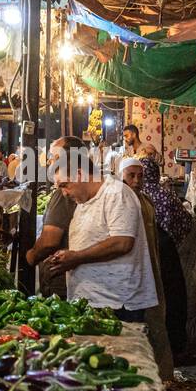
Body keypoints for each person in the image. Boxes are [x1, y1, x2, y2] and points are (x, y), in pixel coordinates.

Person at [43, 150, 157, 322]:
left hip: (117, 304)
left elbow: (122, 242)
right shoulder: (84, 200)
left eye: (64, 185)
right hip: (93, 302)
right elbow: (94, 239)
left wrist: (76, 257)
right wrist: (67, 255)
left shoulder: (116, 193)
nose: (64, 193)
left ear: (79, 174)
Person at [119, 157, 173, 375]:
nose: (136, 180)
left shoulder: (146, 201)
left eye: (140, 176)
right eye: (131, 175)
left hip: (150, 266)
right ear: (121, 175)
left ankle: (157, 372)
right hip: (130, 272)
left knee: (153, 319)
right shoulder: (120, 200)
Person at [136, 155, 193, 354]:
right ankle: (174, 344)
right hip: (168, 254)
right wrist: (175, 240)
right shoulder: (166, 194)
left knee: (151, 300)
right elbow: (187, 222)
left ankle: (150, 347)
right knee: (172, 296)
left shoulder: (135, 196)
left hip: (143, 257)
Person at [26, 136, 81, 298]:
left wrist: (31, 257)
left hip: (61, 276)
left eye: (53, 156)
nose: (50, 161)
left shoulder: (64, 193)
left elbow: (49, 242)